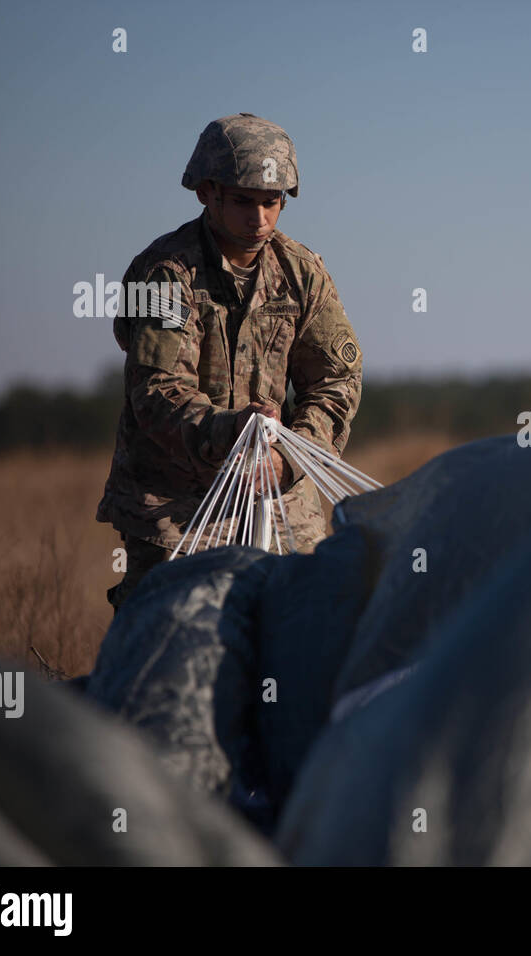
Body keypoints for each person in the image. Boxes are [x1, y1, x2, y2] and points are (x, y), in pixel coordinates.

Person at [97, 113, 363, 612]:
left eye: (272, 202)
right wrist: (232, 434)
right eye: (244, 201)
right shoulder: (166, 275)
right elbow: (158, 392)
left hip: (282, 510)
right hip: (179, 517)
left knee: (294, 654)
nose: (259, 218)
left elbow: (336, 379)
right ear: (206, 192)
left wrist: (292, 455)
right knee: (172, 664)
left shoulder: (302, 274)